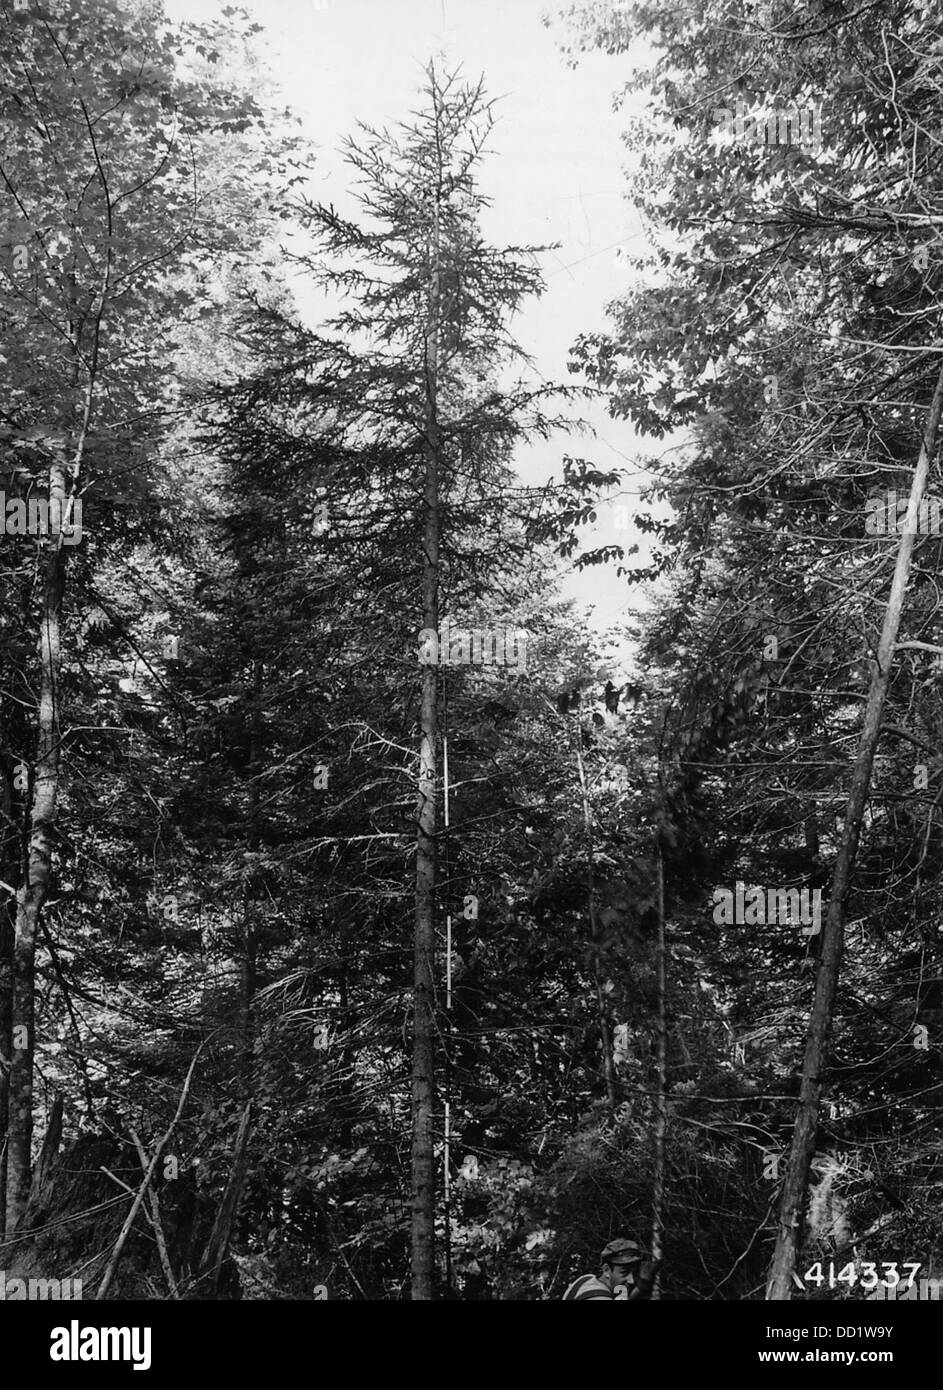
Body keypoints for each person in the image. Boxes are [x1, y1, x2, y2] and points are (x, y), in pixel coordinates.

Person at [562, 1239, 655, 1301]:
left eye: (635, 1273)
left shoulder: (587, 1280)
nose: (632, 1280)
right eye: (624, 1272)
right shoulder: (600, 1296)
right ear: (606, 1270)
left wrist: (642, 1286)